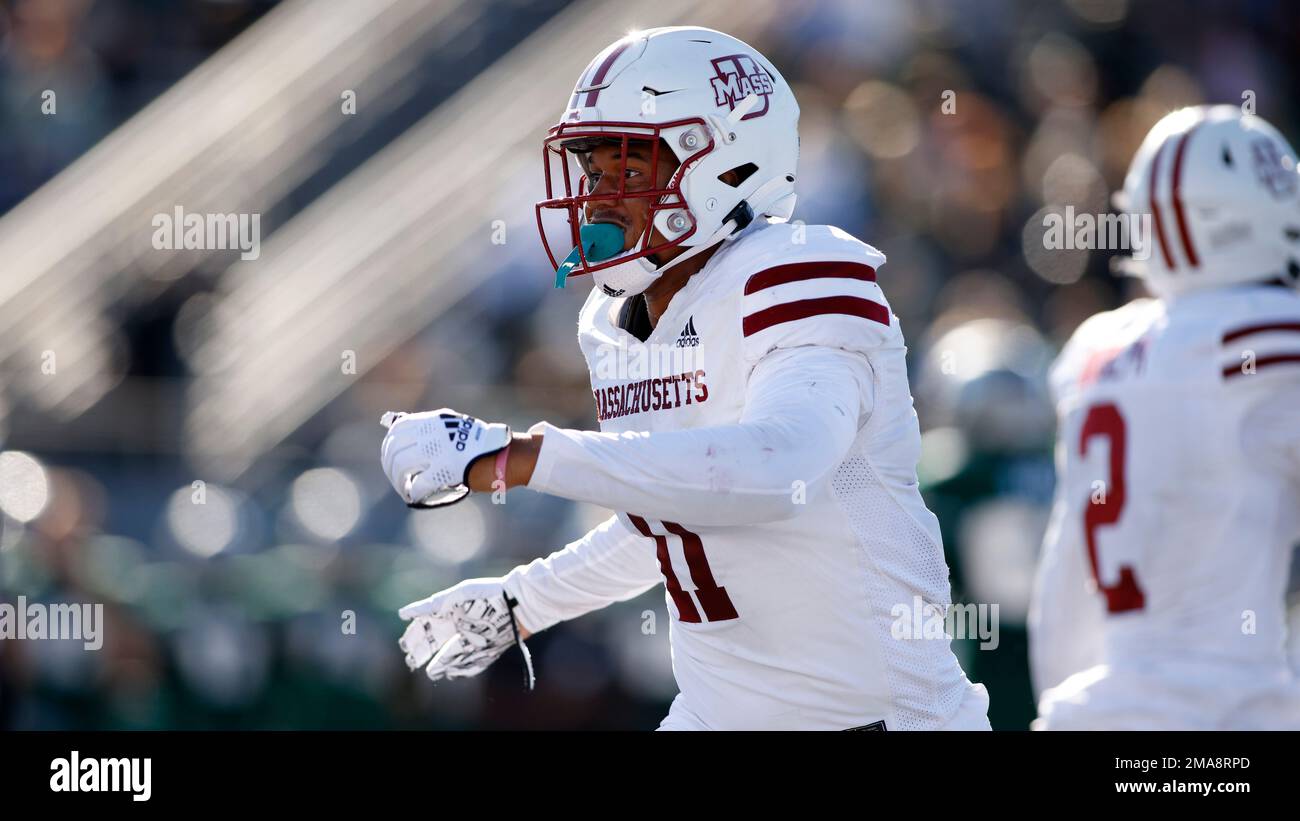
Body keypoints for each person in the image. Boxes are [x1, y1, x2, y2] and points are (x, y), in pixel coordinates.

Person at [381, 26, 989, 731]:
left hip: (880, 720)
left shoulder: (798, 271)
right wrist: (525, 602)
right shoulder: (613, 322)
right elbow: (671, 514)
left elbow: (778, 471)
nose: (601, 199)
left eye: (631, 171)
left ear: (727, 166)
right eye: (594, 171)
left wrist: (524, 458)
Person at [1029, 105, 1300, 730]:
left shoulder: (1095, 354)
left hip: (1097, 711)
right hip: (1224, 720)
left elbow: (1066, 586)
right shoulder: (1262, 341)